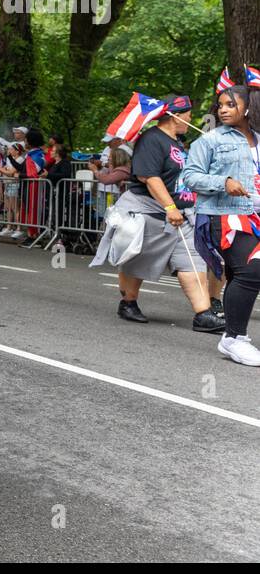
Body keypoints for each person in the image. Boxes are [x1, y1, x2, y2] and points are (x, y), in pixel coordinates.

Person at [90, 96, 222, 333]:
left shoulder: (178, 143)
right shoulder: (152, 139)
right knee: (137, 258)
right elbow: (149, 177)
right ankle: (128, 302)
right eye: (187, 113)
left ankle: (203, 314)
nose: (191, 118)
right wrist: (169, 207)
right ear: (175, 116)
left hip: (181, 213)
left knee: (193, 259)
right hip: (150, 210)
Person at [182, 85, 260, 365]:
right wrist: (223, 183)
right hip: (224, 215)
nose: (222, 110)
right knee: (250, 271)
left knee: (248, 274)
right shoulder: (211, 140)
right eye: (221, 105)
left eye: (230, 104)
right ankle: (234, 338)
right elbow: (190, 176)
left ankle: (234, 337)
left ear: (249, 107)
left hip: (255, 217)